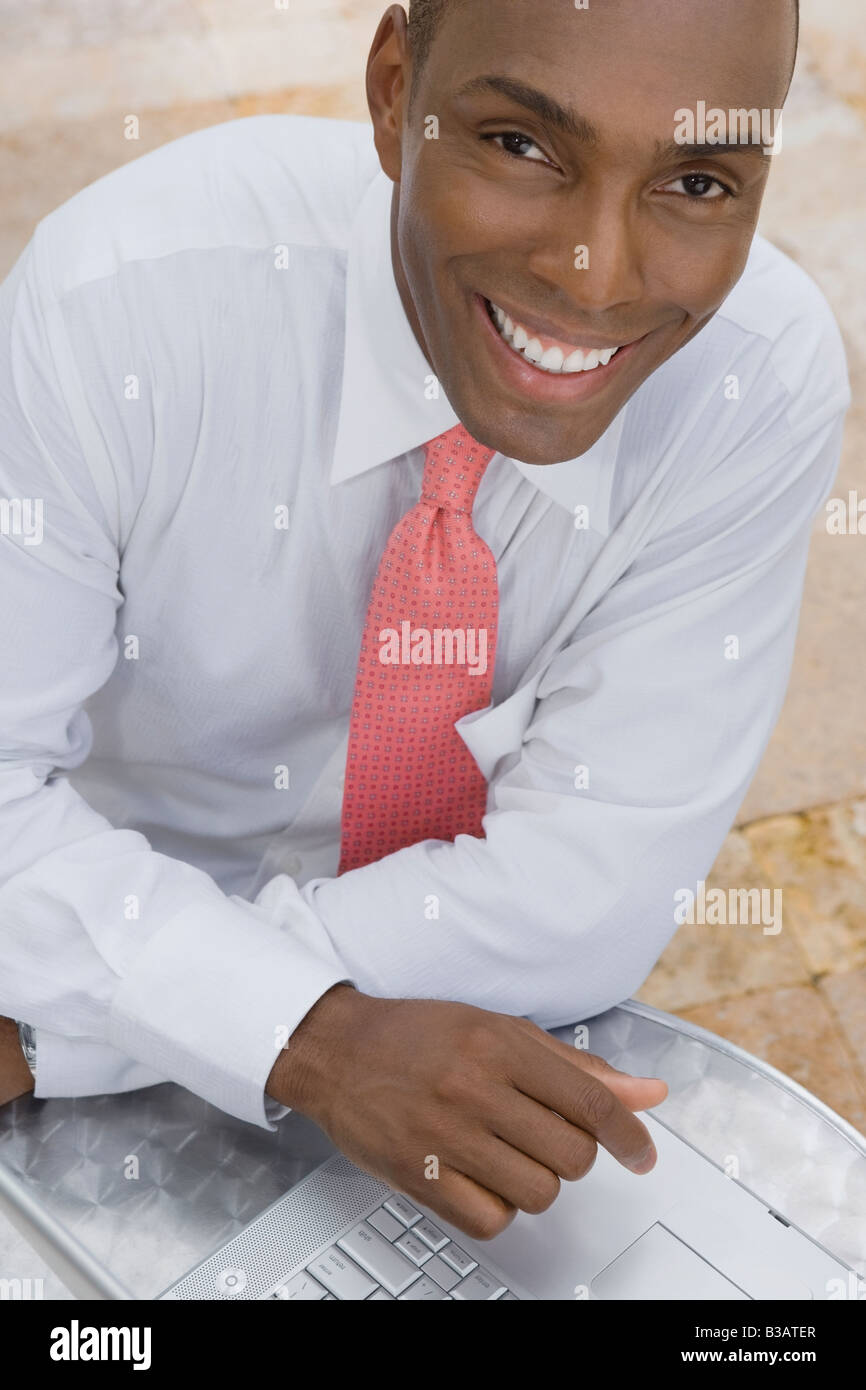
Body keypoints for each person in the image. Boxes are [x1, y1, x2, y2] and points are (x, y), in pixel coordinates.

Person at [0, 0, 849, 1242]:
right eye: (519, 145)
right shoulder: (120, 305)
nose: (595, 276)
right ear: (396, 91)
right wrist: (311, 1032)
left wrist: (99, 1021)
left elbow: (583, 898)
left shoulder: (754, 387)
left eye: (698, 180)